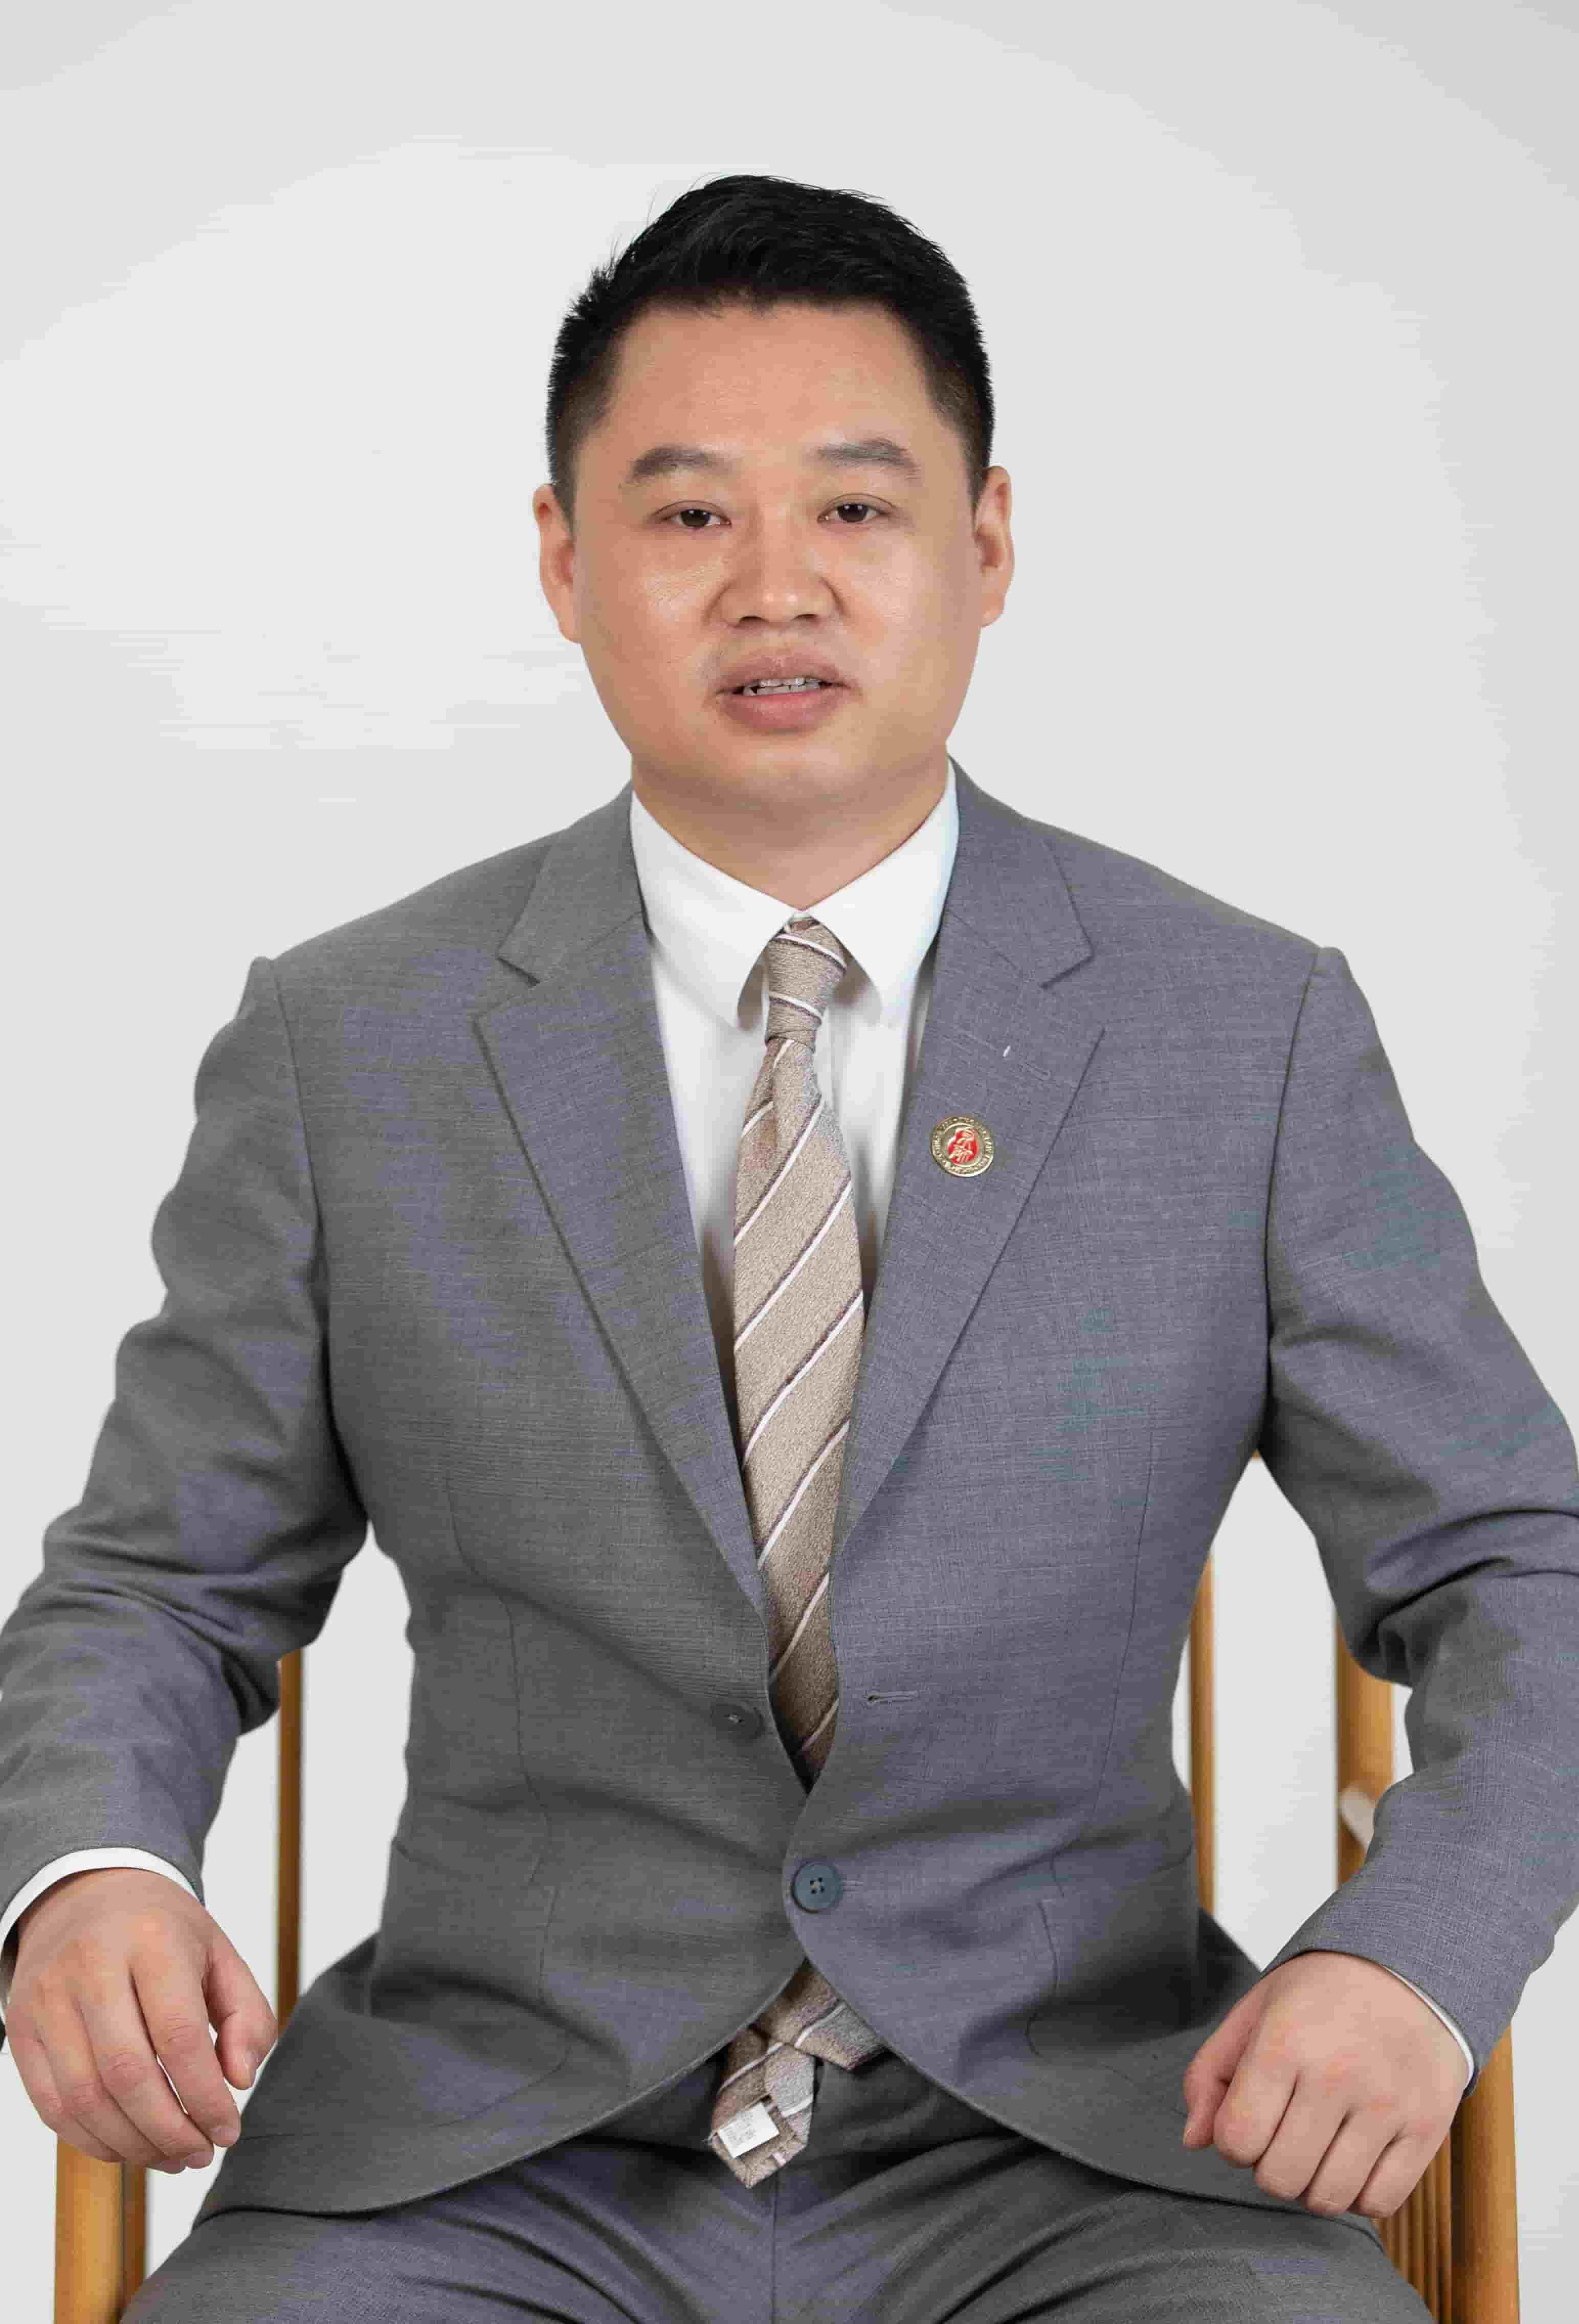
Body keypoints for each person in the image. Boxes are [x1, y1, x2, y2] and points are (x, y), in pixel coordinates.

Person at [2, 173, 1573, 2323]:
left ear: (985, 547)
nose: (776, 586)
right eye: (684, 514)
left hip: (1093, 2147)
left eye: (854, 506)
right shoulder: (351, 1041)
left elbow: (1522, 1569)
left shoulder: (1242, 1031)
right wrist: (89, 1873)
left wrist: (1419, 1953)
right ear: (564, 561)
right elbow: (156, 1583)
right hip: (489, 2156)